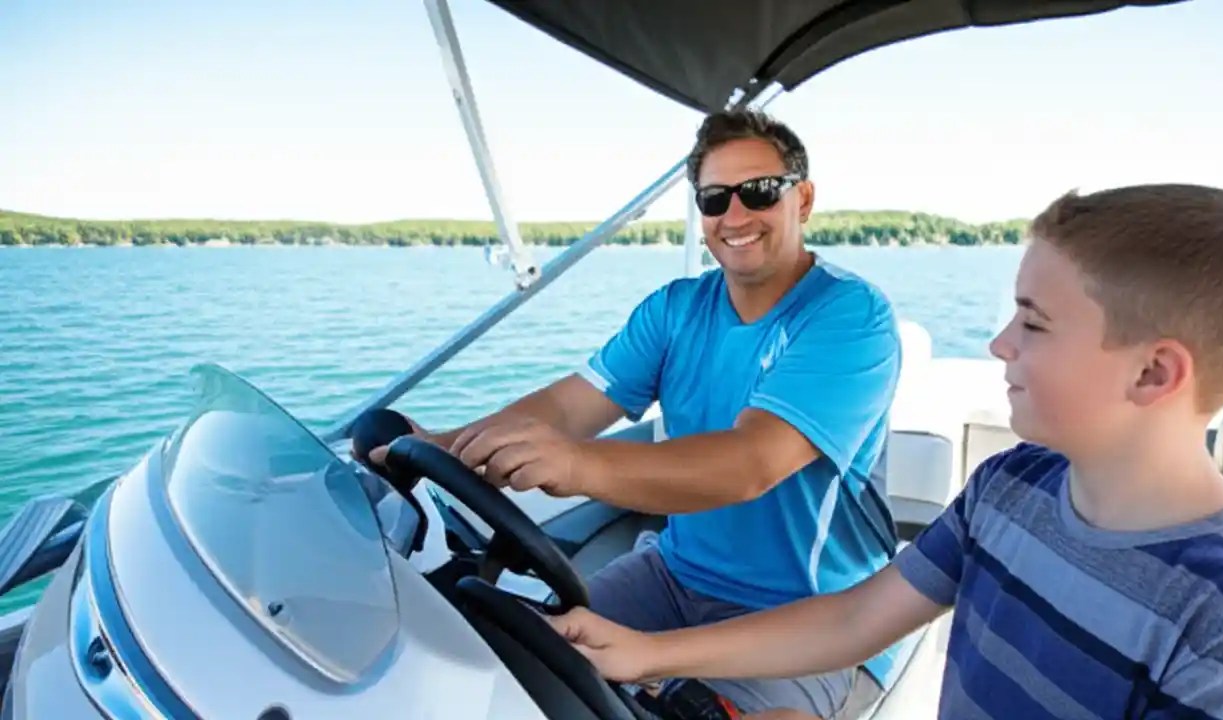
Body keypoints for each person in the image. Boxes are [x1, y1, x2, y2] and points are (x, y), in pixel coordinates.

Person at [547, 183, 1223, 720]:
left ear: (1152, 373)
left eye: (1034, 323)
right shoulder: (1009, 486)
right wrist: (646, 653)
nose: (1000, 344)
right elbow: (854, 621)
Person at [372, 109, 903, 718]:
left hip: (805, 613)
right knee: (510, 663)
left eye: (759, 192)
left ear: (802, 199)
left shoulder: (850, 316)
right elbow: (567, 406)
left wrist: (575, 464)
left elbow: (749, 463)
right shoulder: (676, 309)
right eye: (714, 198)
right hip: (674, 573)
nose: (735, 216)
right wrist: (440, 446)